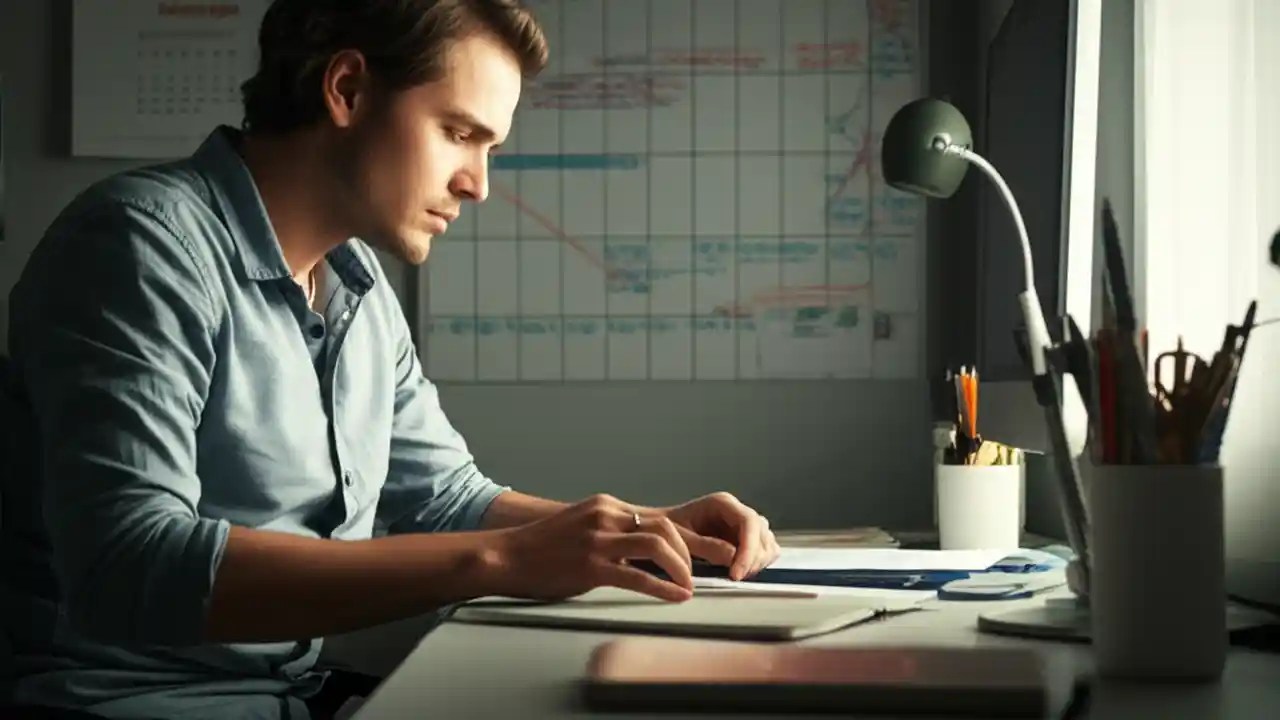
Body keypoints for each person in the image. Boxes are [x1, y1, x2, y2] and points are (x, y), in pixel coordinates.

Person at [0, 1, 780, 718]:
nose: (477, 185)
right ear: (346, 89)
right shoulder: (140, 247)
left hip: (293, 696)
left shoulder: (358, 286)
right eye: (460, 133)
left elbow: (443, 498)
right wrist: (501, 559)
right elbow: (129, 568)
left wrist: (648, 531)